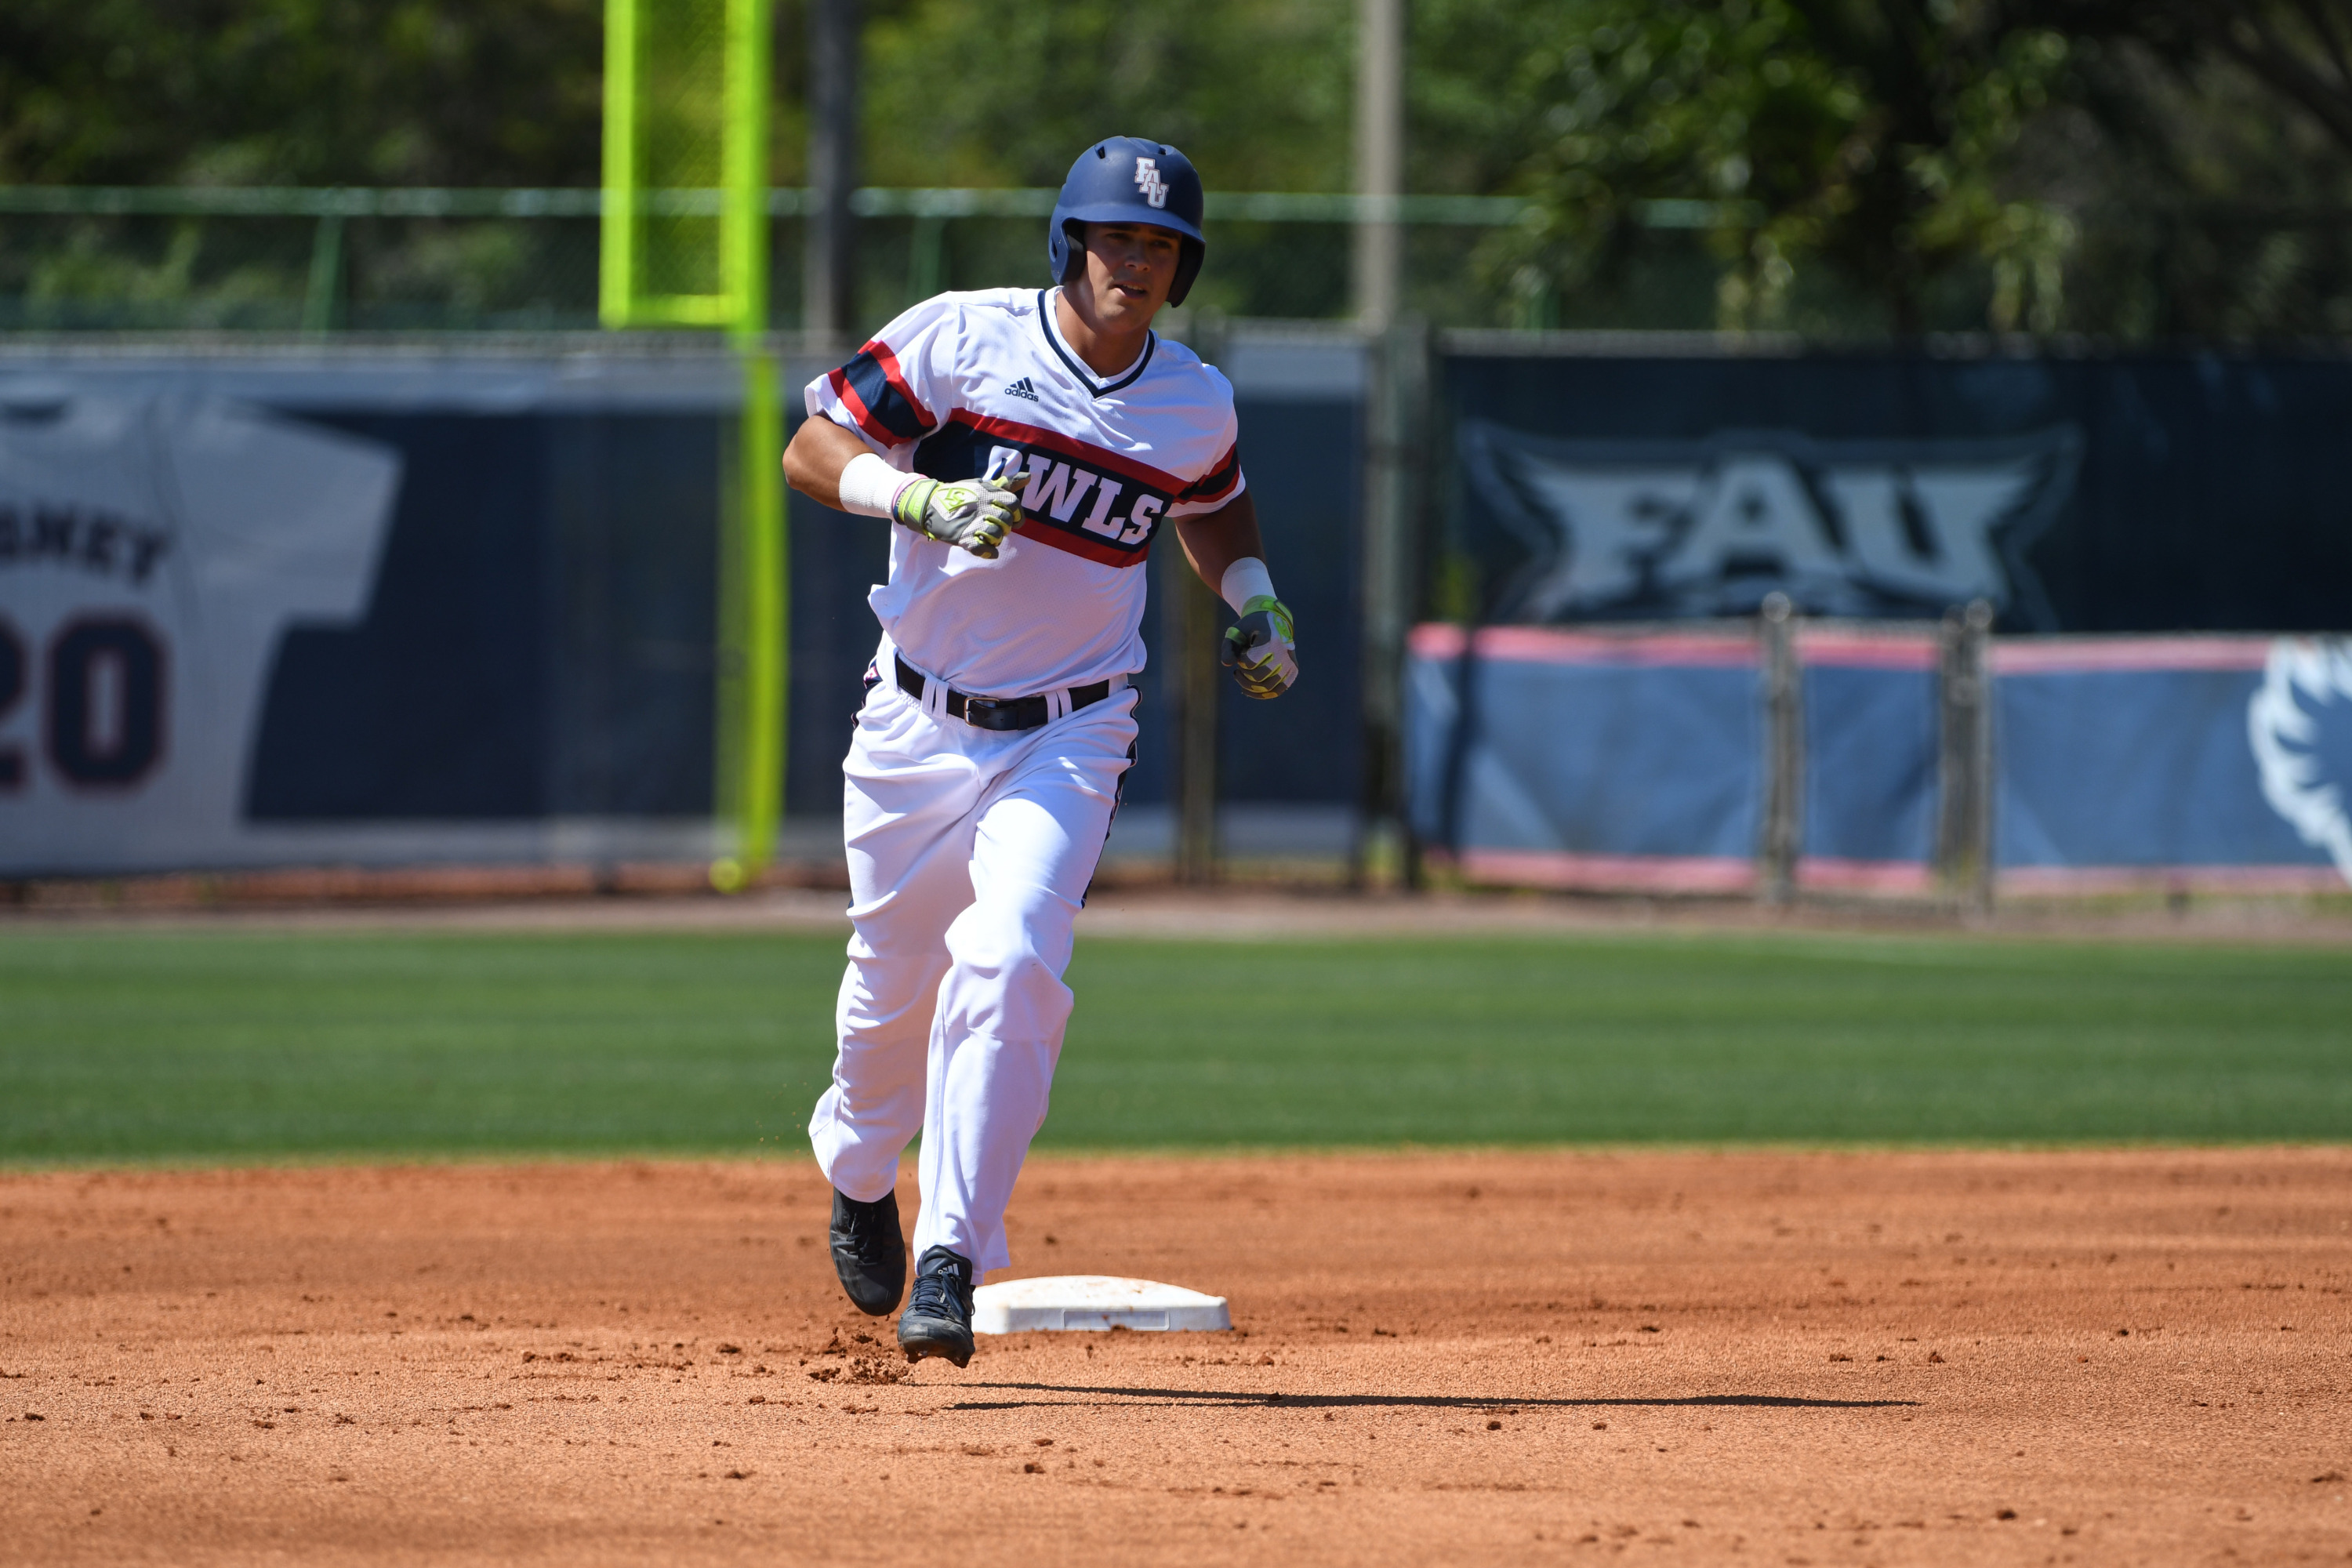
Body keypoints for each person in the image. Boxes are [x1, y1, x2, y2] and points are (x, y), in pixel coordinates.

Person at [780, 136, 1298, 1367]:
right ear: (1072, 244)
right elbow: (812, 445)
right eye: (1120, 238)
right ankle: (857, 1163)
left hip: (1073, 725)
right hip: (915, 718)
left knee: (1011, 960)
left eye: (1163, 246)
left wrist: (1260, 602)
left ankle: (955, 1249)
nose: (1139, 262)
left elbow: (1211, 501)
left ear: (1183, 268)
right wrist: (915, 498)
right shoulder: (963, 340)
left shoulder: (1192, 400)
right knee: (886, 995)